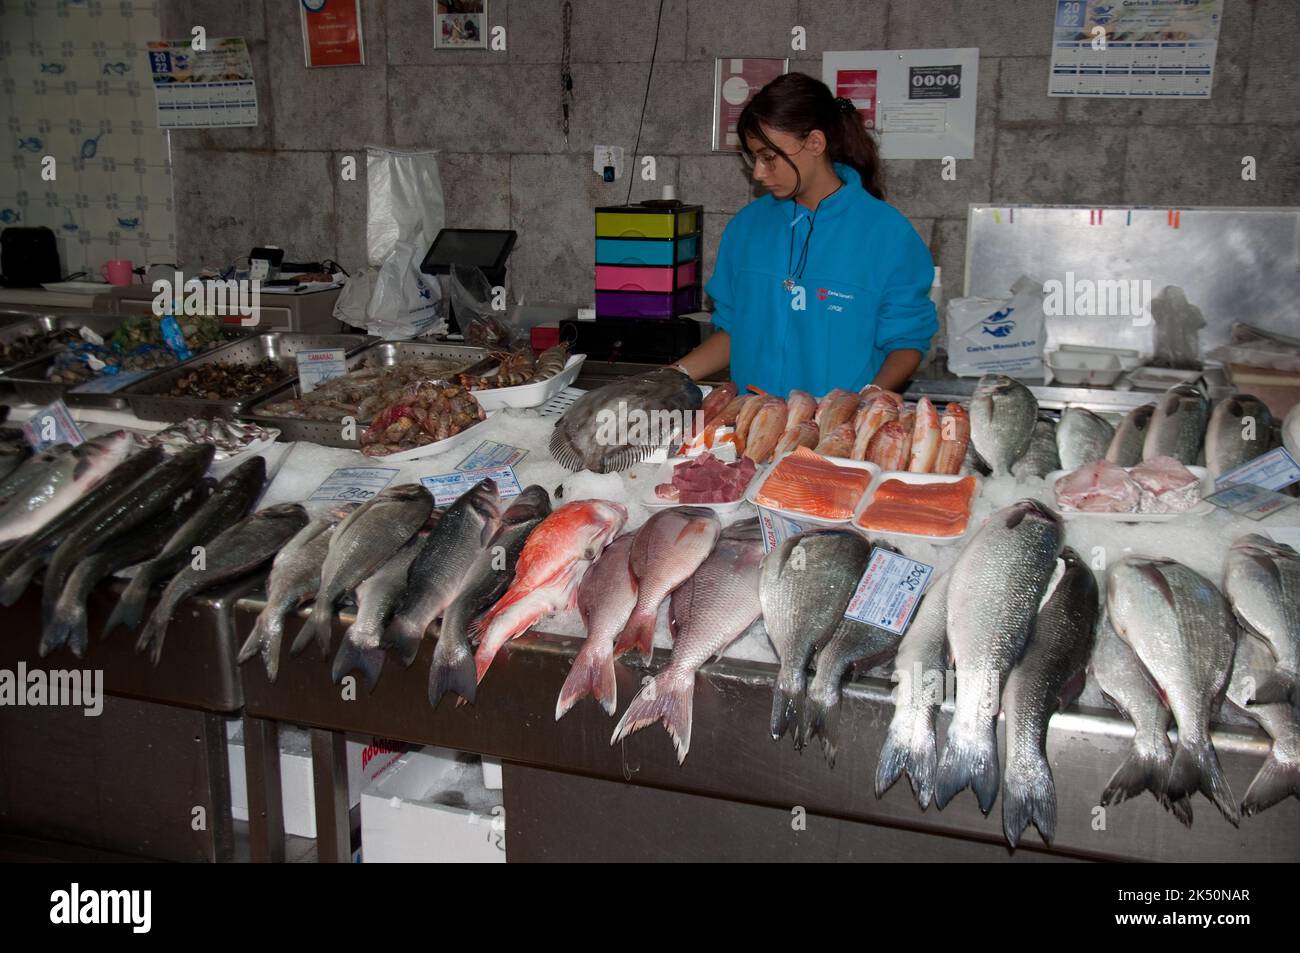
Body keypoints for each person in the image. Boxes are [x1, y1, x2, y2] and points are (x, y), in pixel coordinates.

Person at [671, 73, 938, 397]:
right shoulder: (747, 228)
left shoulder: (887, 235)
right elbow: (734, 332)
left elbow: (907, 343)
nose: (758, 173)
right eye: (753, 158)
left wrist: (867, 399)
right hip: (752, 434)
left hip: (836, 437)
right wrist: (670, 378)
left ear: (815, 143)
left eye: (769, 158)